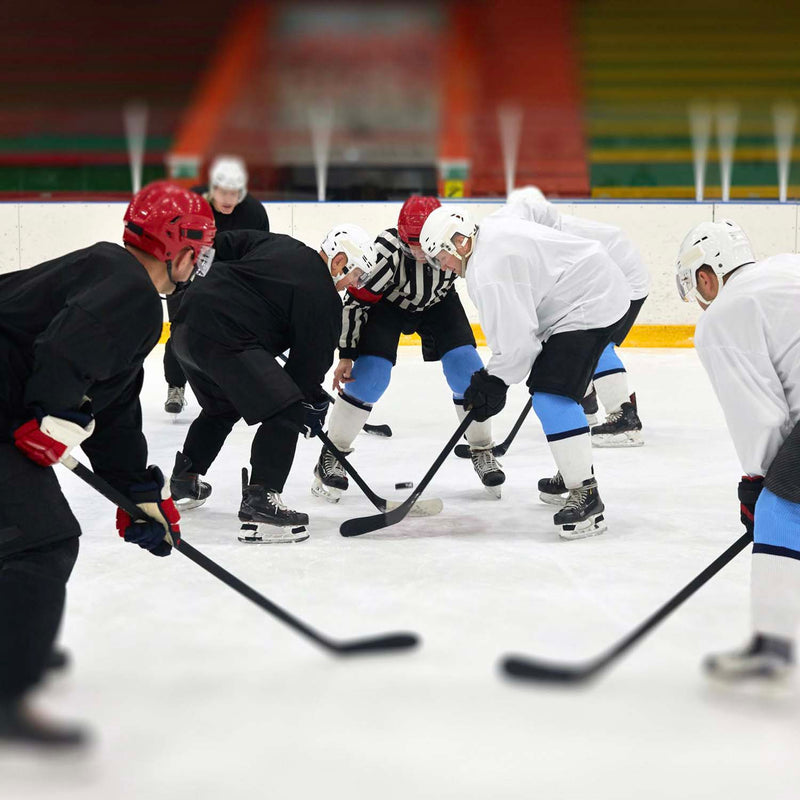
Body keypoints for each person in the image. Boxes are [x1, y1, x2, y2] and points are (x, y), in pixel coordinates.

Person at [0, 182, 216, 747]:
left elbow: (113, 402)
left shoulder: (114, 281)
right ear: (182, 249)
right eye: (201, 249)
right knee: (38, 541)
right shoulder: (131, 294)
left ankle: (11, 644)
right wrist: (55, 414)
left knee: (19, 536)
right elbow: (61, 359)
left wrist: (139, 493)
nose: (201, 262)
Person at [420, 205, 631, 539]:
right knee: (552, 383)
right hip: (592, 287)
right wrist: (496, 377)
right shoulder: (492, 228)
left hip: (589, 302)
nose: (442, 267)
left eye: (439, 257)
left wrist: (493, 381)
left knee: (550, 394)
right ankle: (572, 466)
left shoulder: (488, 270)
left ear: (457, 243)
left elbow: (517, 347)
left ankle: (586, 494)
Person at [167, 224, 374, 544]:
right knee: (286, 410)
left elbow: (225, 241)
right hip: (226, 337)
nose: (355, 285)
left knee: (221, 407)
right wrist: (306, 399)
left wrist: (203, 279)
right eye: (356, 275)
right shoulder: (324, 298)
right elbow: (307, 368)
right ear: (339, 261)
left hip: (184, 327)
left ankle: (185, 479)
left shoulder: (282, 245)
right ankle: (261, 500)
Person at [313, 196, 505, 505]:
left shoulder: (457, 240)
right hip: (388, 307)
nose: (418, 253)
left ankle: (482, 449)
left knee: (467, 371)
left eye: (423, 245)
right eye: (410, 244)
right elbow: (357, 302)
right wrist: (347, 353)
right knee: (370, 377)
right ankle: (331, 454)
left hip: (439, 303)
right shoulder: (384, 253)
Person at [675, 219, 800, 683]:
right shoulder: (786, 268)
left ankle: (771, 647)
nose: (701, 299)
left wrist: (760, 485)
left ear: (707, 275)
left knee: (782, 508)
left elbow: (763, 418)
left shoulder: (725, 313)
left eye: (698, 287)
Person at [503, 186, 649, 446]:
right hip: (611, 279)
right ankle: (587, 404)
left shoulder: (552, 236)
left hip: (625, 281)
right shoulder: (542, 232)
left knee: (595, 339)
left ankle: (624, 417)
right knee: (578, 342)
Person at [163, 155, 270, 416]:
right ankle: (176, 385)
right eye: (223, 191)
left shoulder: (254, 212)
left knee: (227, 334)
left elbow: (261, 252)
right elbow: (169, 242)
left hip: (229, 281)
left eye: (235, 193)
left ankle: (228, 388)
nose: (229, 199)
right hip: (189, 275)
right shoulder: (189, 204)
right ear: (212, 188)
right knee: (180, 331)